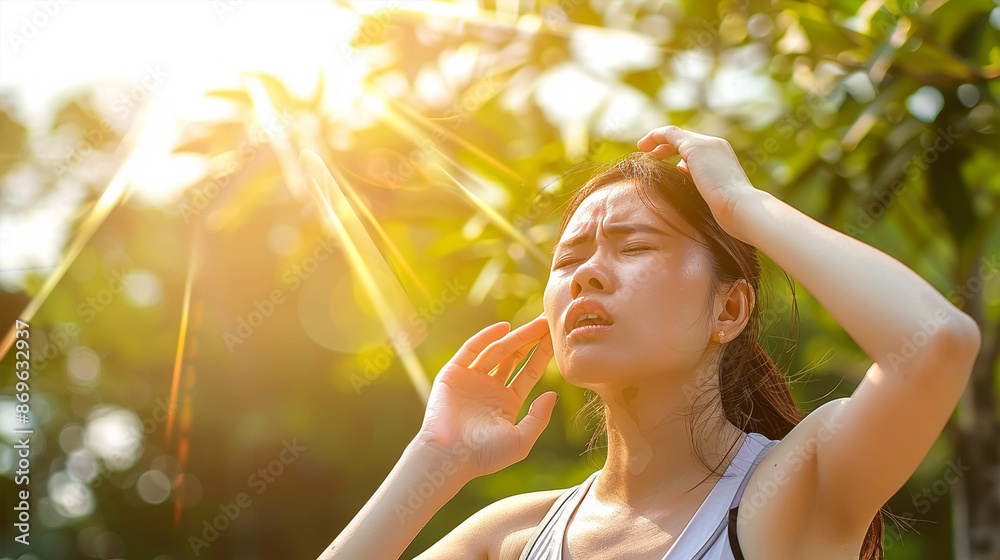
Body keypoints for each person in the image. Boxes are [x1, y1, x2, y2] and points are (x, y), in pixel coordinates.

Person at [317, 126, 982, 560]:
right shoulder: (514, 536)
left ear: (729, 307)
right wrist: (436, 460)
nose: (589, 274)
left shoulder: (783, 494)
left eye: (633, 246)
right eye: (568, 259)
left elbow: (934, 341)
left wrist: (740, 204)